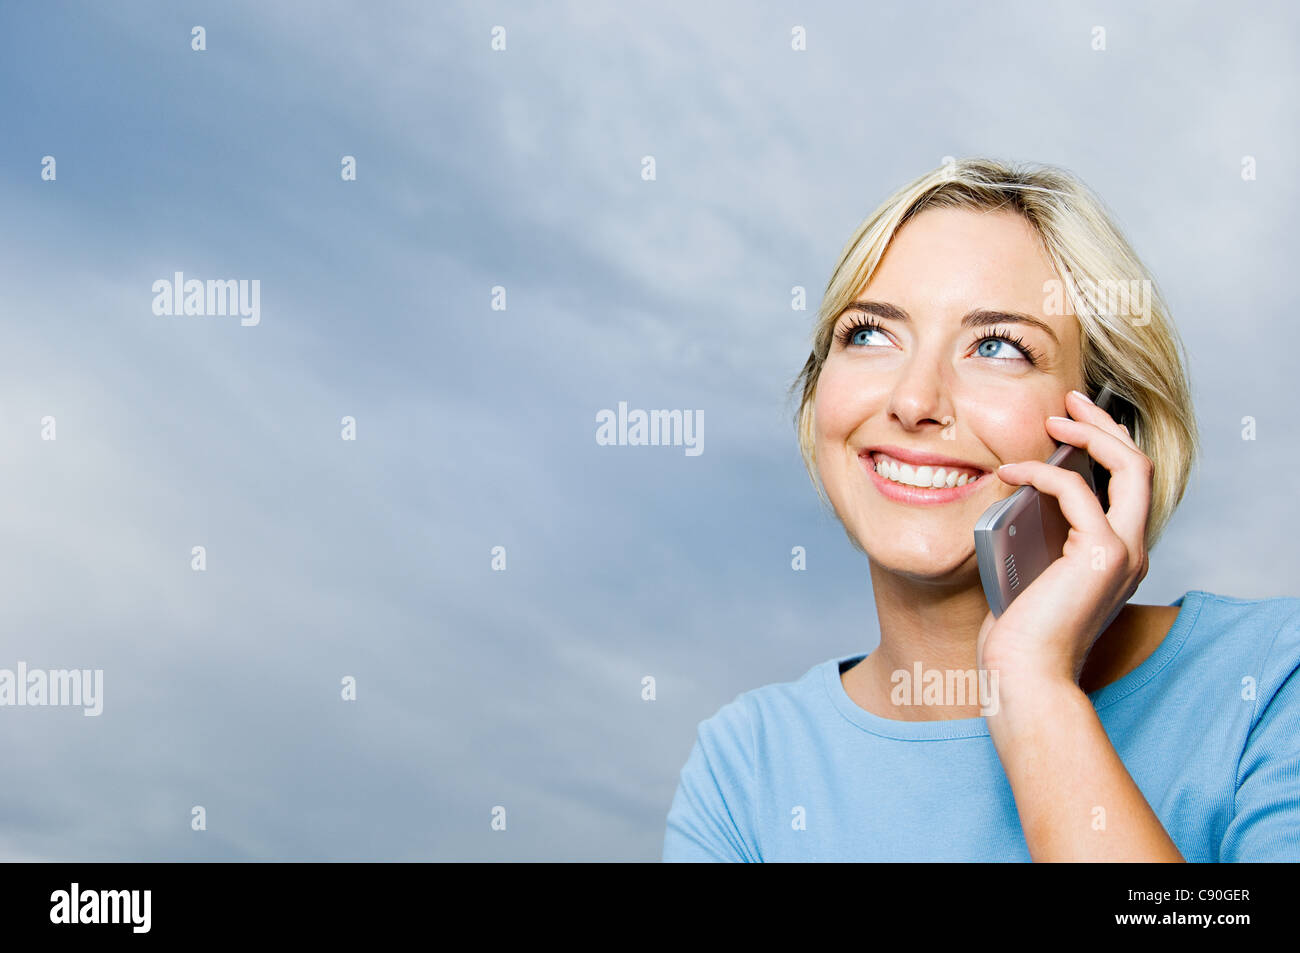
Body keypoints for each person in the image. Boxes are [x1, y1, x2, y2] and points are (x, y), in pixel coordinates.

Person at [662, 158, 1300, 862]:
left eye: (996, 346)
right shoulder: (747, 769)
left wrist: (1033, 686)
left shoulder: (1271, 681)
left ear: (1106, 424)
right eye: (870, 334)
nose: (913, 401)